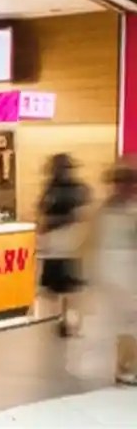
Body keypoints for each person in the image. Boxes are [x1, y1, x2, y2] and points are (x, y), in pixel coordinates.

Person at [38, 153, 90, 337]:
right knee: (71, 285)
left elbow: (44, 212)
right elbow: (83, 214)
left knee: (63, 285)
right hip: (70, 241)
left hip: (61, 241)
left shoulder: (52, 189)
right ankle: (68, 319)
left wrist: (50, 224)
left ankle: (65, 318)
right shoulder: (80, 188)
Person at [97, 159, 137, 385]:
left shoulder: (110, 209)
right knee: (128, 323)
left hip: (121, 270)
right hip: (121, 271)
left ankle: (127, 366)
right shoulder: (116, 211)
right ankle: (126, 368)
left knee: (128, 323)